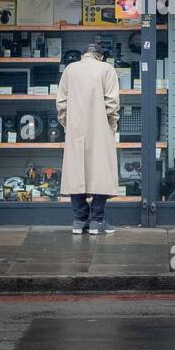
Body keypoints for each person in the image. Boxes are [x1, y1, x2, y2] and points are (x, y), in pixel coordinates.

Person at [56, 41, 121, 234]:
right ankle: (96, 221)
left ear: (83, 54)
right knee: (101, 172)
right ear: (100, 56)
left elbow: (61, 103)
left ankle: (79, 220)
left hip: (75, 128)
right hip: (100, 126)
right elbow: (112, 103)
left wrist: (68, 123)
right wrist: (111, 125)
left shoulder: (70, 69)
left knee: (76, 173)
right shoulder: (107, 69)